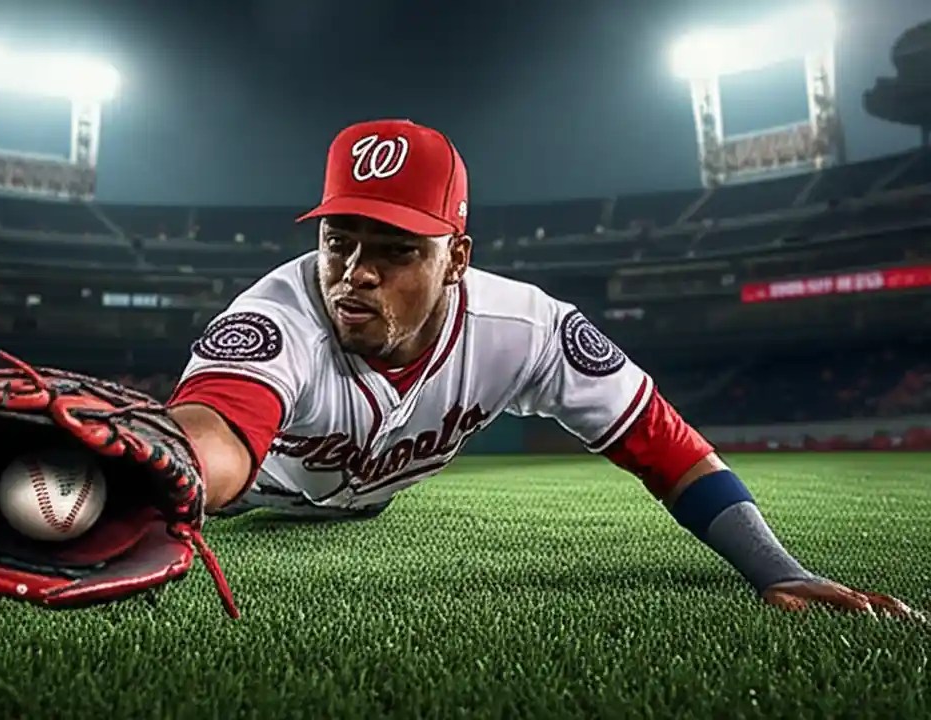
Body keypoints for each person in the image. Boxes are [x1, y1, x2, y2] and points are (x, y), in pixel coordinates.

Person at [163, 118, 919, 619]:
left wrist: (774, 567)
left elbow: (666, 445)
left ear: (456, 258)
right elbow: (217, 434)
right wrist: (161, 472)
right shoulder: (276, 317)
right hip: (254, 495)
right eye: (339, 239)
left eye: (396, 248)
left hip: (369, 501)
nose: (356, 272)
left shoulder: (521, 328)